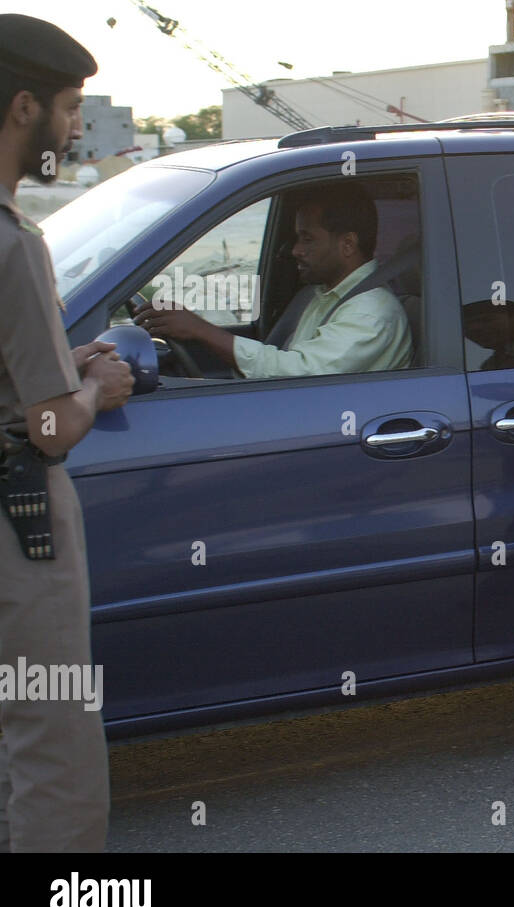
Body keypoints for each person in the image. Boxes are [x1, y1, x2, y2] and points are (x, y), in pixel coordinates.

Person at [0, 14, 135, 852]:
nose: (77, 125)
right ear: (23, 109)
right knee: (52, 739)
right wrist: (96, 382)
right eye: (69, 106)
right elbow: (48, 428)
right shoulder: (15, 247)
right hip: (19, 525)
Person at [137, 181, 412, 377]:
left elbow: (297, 374)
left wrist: (200, 330)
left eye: (308, 239)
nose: (295, 251)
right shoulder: (324, 295)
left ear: (348, 244)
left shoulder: (370, 313)